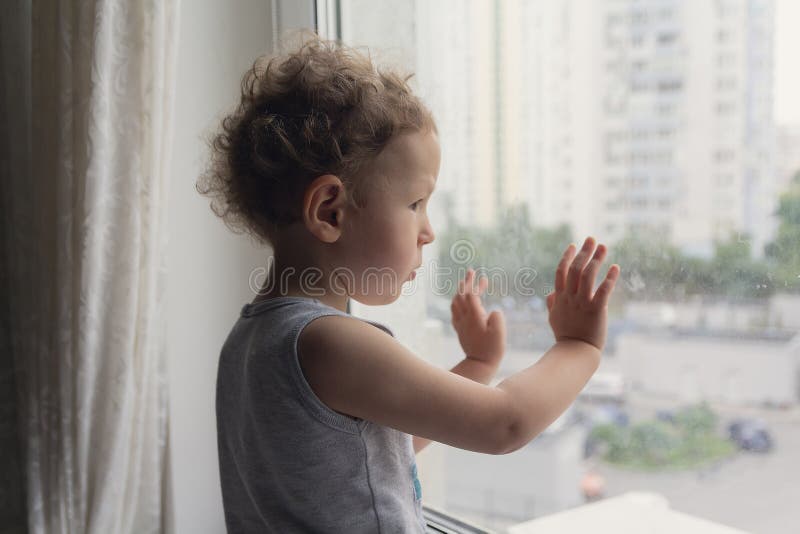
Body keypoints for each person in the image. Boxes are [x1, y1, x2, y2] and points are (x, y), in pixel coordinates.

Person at [199, 34, 620, 533]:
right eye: (415, 203)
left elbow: (377, 444)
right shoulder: (328, 344)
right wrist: (579, 346)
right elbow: (504, 423)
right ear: (330, 211)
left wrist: (477, 364)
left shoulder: (246, 342)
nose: (429, 231)